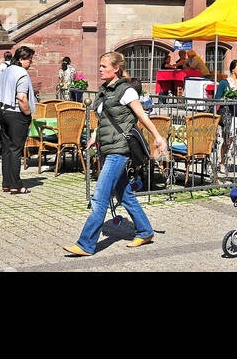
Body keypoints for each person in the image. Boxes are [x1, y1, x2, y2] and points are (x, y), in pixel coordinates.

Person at [63, 51, 167, 256]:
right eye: (100, 66)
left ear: (116, 68)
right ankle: (145, 231)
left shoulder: (126, 91)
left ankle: (86, 244)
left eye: (104, 66)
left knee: (100, 197)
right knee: (124, 194)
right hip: (107, 147)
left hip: (119, 151)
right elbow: (104, 120)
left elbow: (142, 116)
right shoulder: (104, 91)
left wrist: (158, 136)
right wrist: (94, 135)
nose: (100, 69)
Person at [0, 47, 37, 195]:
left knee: (7, 149)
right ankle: (16, 185)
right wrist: (28, 113)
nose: (30, 63)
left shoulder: (7, 70)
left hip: (4, 112)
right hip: (17, 113)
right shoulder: (22, 74)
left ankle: (7, 182)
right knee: (16, 150)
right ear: (22, 59)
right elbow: (22, 97)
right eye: (29, 60)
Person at [216, 59, 237, 174]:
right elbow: (217, 99)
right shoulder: (224, 83)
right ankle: (222, 163)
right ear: (232, 69)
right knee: (228, 140)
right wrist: (226, 99)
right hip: (228, 115)